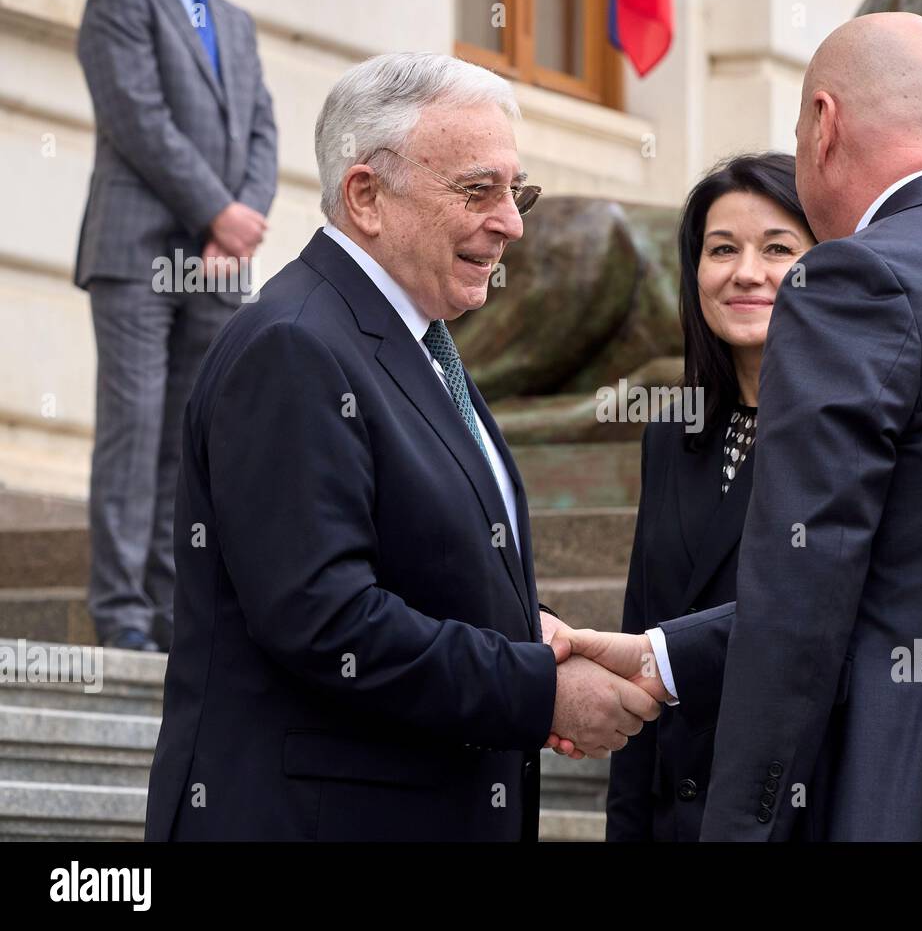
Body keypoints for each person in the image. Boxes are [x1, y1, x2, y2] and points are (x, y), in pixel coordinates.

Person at [556, 12, 922, 841]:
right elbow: (911, 582)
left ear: (825, 126)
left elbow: (806, 592)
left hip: (917, 798)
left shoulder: (858, 279)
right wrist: (660, 657)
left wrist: (738, 827)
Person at [144, 53, 659, 841]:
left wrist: (535, 632)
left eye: (516, 193)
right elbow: (326, 620)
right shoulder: (295, 346)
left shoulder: (411, 340)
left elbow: (418, 564)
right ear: (366, 196)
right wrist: (538, 690)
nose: (512, 223)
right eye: (478, 191)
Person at [602, 154, 814, 841]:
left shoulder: (852, 431)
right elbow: (642, 636)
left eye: (778, 248)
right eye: (722, 250)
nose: (746, 272)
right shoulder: (673, 430)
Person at [75, 0, 277, 651]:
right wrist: (217, 211)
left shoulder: (235, 20)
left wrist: (241, 220)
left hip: (219, 264)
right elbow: (135, 113)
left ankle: (172, 607)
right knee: (134, 429)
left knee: (196, 438)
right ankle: (121, 611)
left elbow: (261, 132)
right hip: (136, 249)